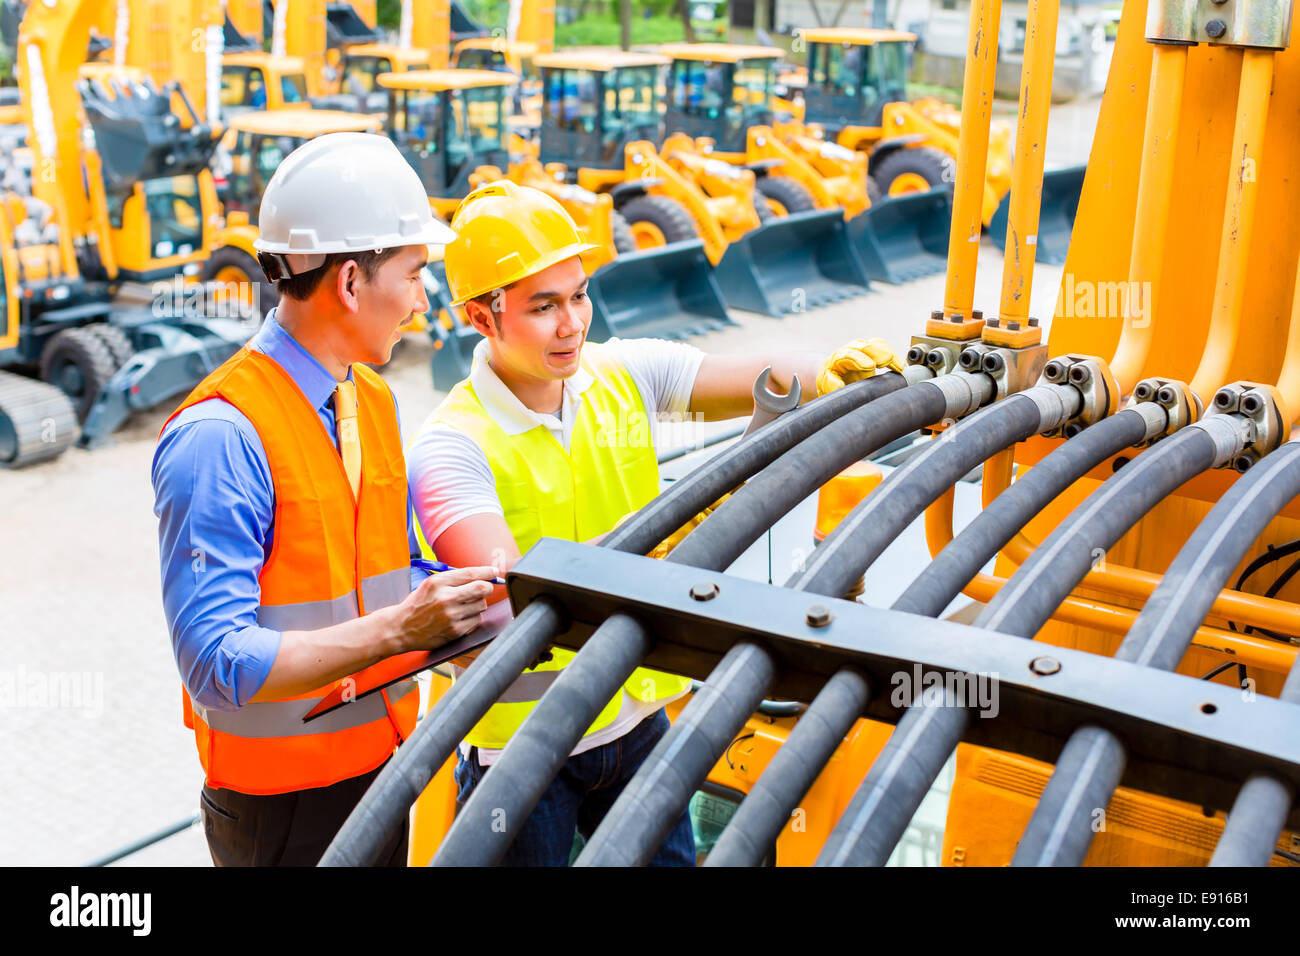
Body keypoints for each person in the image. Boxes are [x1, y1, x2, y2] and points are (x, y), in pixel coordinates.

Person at [406, 180, 901, 866]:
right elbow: (515, 594)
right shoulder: (450, 446)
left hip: (638, 722)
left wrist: (829, 374)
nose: (571, 323)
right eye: (542, 306)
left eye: (577, 295)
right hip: (524, 752)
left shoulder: (619, 376)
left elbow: (754, 379)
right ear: (480, 318)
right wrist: (663, 546)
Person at [151, 133, 499, 867]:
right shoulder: (221, 437)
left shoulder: (368, 399)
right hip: (281, 812)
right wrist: (400, 633)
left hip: (379, 769)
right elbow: (215, 661)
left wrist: (473, 602)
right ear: (349, 282)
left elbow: (388, 569)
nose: (422, 297)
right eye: (414, 273)